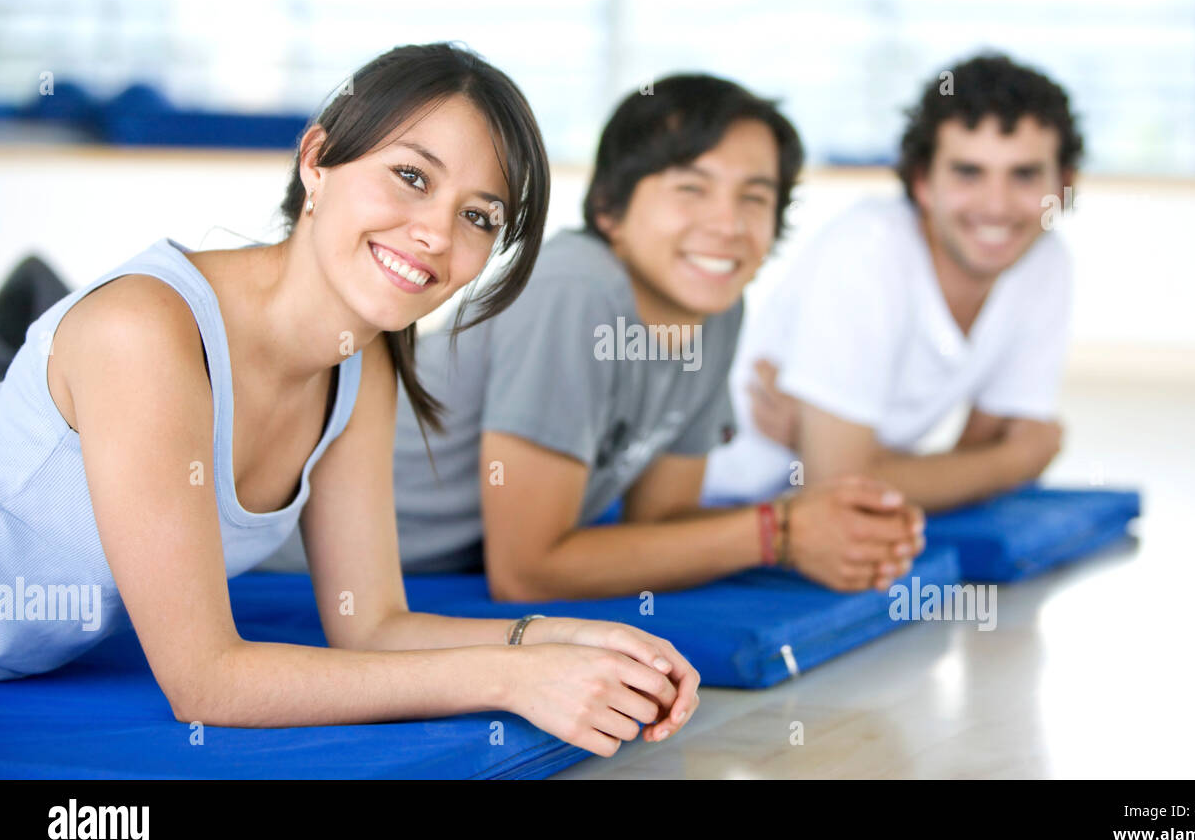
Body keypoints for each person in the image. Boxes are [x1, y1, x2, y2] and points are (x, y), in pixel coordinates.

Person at [0, 43, 700, 759]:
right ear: (316, 160)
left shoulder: (360, 358)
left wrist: (565, 638)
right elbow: (207, 683)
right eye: (410, 176)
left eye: (479, 217)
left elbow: (373, 625)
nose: (434, 233)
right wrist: (512, 678)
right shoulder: (141, 331)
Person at [265, 73, 925, 597]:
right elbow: (527, 571)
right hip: (290, 571)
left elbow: (660, 522)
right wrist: (777, 533)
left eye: (755, 197)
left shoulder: (718, 310)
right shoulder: (575, 288)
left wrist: (824, 521)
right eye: (691, 189)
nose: (728, 225)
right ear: (610, 208)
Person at [702, 53, 1080, 512]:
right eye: (968, 173)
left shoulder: (1044, 262)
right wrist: (1021, 459)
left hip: (797, 506)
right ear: (922, 182)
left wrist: (860, 461)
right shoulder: (868, 249)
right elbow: (838, 488)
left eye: (1024, 175)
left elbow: (970, 461)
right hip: (708, 494)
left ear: (1063, 186)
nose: (996, 205)